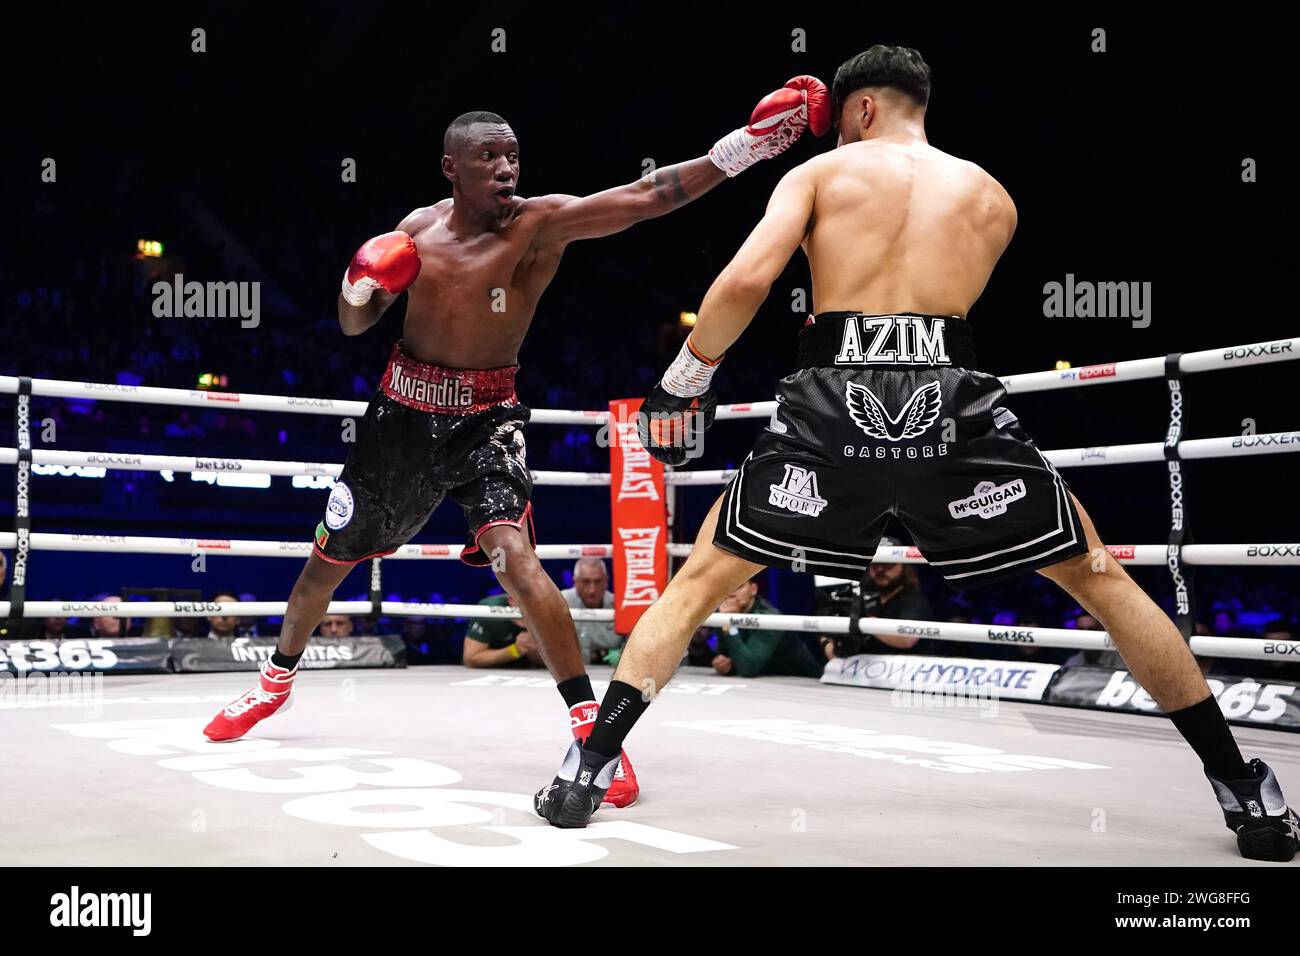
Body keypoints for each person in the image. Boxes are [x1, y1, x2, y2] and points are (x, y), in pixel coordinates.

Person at [533, 44, 1298, 861]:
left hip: (832, 404)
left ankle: (587, 768)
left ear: (859, 110)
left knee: (696, 588)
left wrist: (683, 383)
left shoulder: (822, 177)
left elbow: (748, 280)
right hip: (954, 405)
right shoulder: (992, 197)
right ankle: (1241, 788)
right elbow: (935, 308)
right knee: (1099, 576)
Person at [204, 77, 831, 815]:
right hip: (398, 420)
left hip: (487, 422)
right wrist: (356, 283)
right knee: (323, 567)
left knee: (518, 562)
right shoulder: (417, 231)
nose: (507, 168)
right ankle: (275, 683)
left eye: (513, 156)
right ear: (452, 168)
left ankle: (594, 735)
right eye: (490, 157)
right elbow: (353, 324)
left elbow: (651, 195)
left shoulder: (540, 225)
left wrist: (749, 147)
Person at [701, 576, 822, 678]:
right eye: (727, 588)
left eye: (738, 586)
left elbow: (747, 668)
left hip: (803, 683)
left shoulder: (770, 618)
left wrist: (729, 622)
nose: (731, 593)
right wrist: (724, 663)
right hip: (765, 683)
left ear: (753, 589)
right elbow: (727, 653)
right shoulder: (724, 612)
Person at [561, 558, 621, 665]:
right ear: (575, 582)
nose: (592, 590)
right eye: (585, 582)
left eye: (597, 582)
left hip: (613, 672)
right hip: (571, 669)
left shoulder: (619, 605)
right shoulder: (560, 602)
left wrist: (624, 652)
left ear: (606, 581)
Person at [462, 590, 542, 667]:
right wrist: (515, 650)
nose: (530, 606)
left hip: (531, 672)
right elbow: (471, 658)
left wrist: (536, 650)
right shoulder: (489, 610)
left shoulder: (547, 608)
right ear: (511, 600)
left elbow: (543, 664)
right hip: (489, 672)